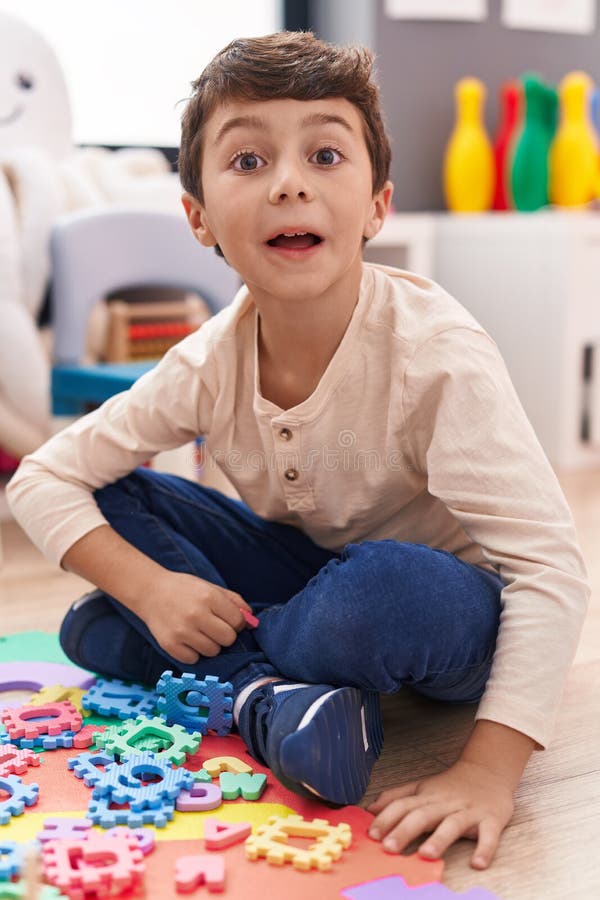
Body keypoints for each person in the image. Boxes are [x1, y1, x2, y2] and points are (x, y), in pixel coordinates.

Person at [7, 31, 590, 871]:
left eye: (324, 154)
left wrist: (489, 775)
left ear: (377, 205)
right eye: (248, 161)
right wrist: (153, 586)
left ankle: (203, 664)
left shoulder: (436, 355)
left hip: (440, 613)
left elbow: (549, 570)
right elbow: (47, 474)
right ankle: (262, 693)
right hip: (308, 573)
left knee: (379, 590)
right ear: (198, 218)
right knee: (112, 496)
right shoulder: (206, 360)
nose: (288, 183)